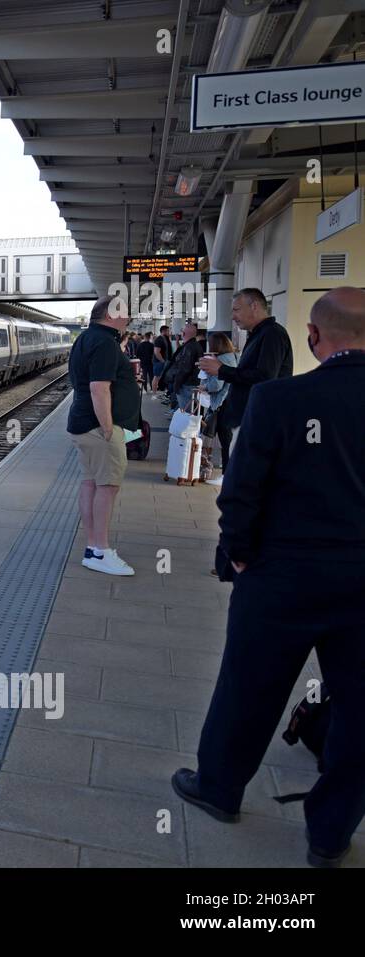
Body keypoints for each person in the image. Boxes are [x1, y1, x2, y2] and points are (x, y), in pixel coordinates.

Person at [172, 286, 365, 868]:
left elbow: (242, 492)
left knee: (248, 688)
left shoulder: (280, 400)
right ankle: (330, 834)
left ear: (312, 337)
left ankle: (219, 789)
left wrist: (235, 554)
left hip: (281, 575)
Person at [66, 295, 140, 576]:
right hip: (98, 428)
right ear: (112, 315)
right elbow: (99, 388)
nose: (129, 318)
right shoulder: (105, 343)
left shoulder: (86, 338)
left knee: (91, 484)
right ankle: (101, 551)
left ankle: (93, 548)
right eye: (126, 313)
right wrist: (108, 427)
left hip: (82, 423)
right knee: (107, 487)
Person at [197, 288, 293, 454]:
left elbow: (264, 378)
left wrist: (221, 370)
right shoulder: (258, 334)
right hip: (249, 418)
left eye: (236, 310)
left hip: (259, 420)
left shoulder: (272, 334)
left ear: (254, 306)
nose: (233, 316)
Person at [200, 332, 238, 486]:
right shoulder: (232, 357)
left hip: (222, 403)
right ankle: (227, 471)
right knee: (226, 438)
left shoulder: (221, 360)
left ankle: (226, 475)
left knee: (225, 439)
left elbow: (216, 385)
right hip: (229, 401)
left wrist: (204, 386)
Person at [169, 321, 206, 411]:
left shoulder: (189, 347)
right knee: (191, 411)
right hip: (192, 383)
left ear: (184, 333)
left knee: (186, 413)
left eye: (182, 331)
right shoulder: (194, 345)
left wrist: (176, 384)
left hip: (186, 385)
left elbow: (184, 368)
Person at [152, 323, 173, 392]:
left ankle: (160, 391)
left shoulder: (165, 339)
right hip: (159, 362)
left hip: (163, 361)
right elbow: (156, 352)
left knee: (161, 377)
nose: (169, 332)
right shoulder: (159, 339)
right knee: (156, 377)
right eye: (168, 331)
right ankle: (154, 393)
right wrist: (163, 361)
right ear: (163, 331)